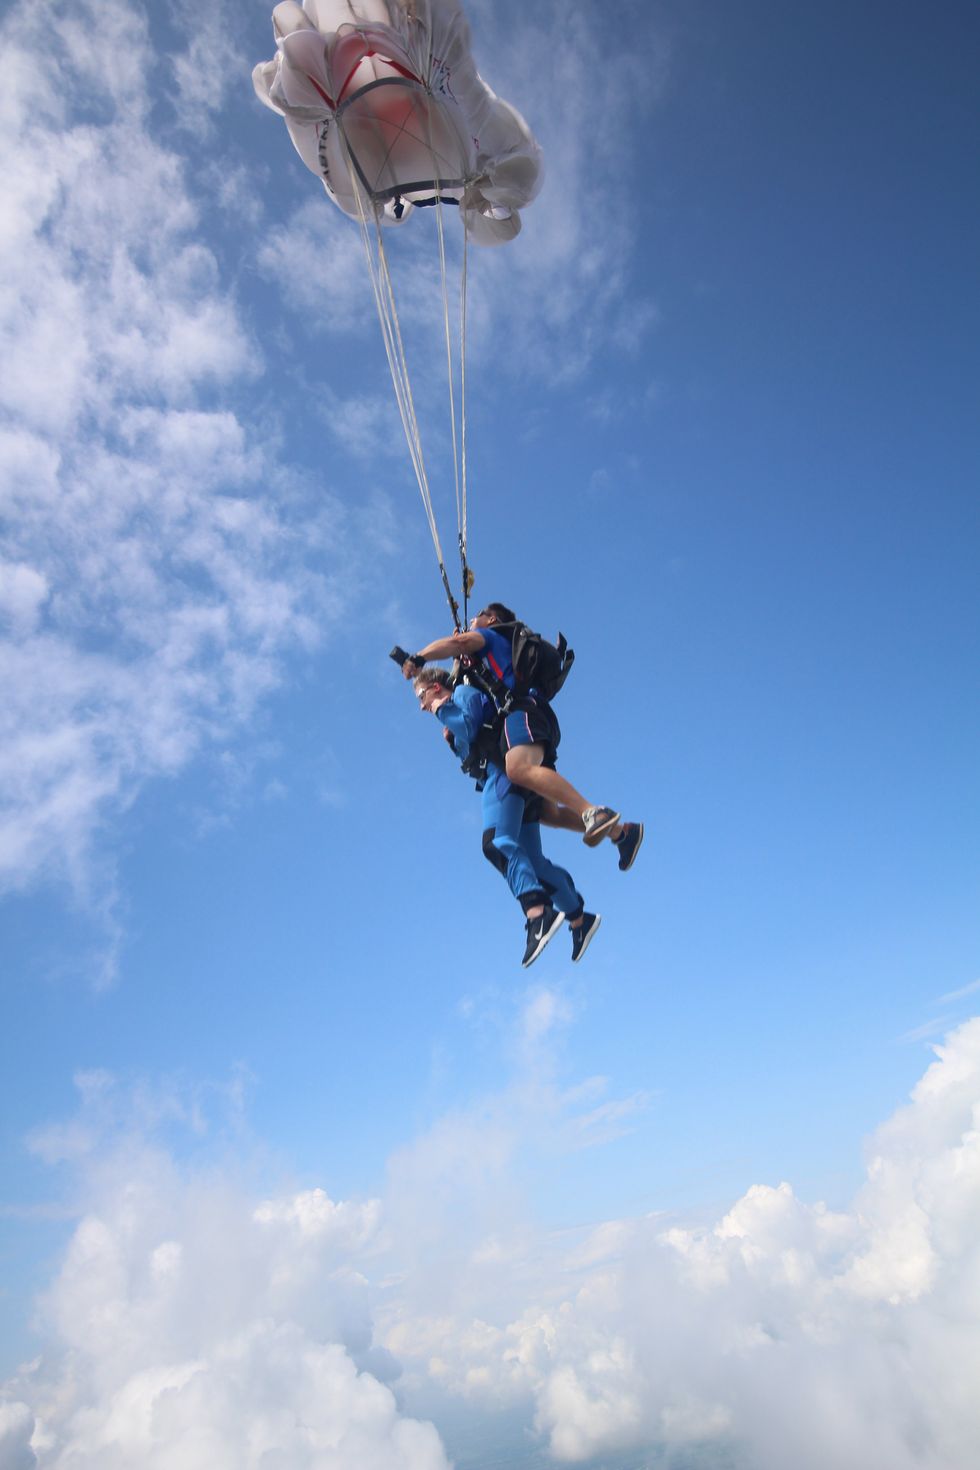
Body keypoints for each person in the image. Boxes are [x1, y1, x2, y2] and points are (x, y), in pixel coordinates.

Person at [402, 604, 643, 869]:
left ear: (491, 619)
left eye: (477, 617)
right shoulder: (489, 654)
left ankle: (592, 812)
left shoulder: (491, 635)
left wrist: (419, 658)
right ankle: (622, 833)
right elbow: (469, 678)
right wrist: (461, 660)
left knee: (516, 768)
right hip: (534, 716)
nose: (472, 621)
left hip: (523, 712)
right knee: (546, 813)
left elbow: (456, 643)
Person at [414, 666, 602, 966]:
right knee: (534, 864)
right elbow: (468, 750)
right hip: (507, 784)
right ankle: (580, 918)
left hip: (503, 778)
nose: (422, 705)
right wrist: (451, 739)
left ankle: (537, 912)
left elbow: (471, 726)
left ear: (436, 688)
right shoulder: (455, 704)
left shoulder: (463, 694)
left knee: (496, 843)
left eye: (422, 696)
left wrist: (443, 710)